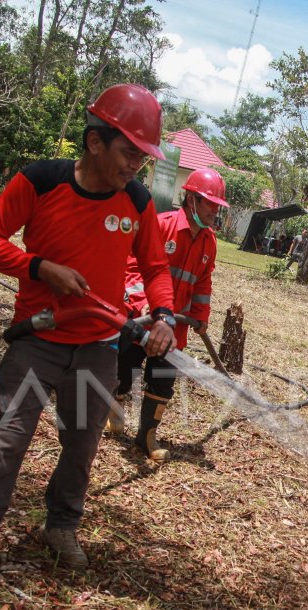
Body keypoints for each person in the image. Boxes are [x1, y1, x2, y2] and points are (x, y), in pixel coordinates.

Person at [0, 84, 177, 610]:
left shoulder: (137, 201)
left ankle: (61, 527)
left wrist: (162, 314)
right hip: (38, 340)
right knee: (8, 441)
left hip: (96, 349)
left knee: (82, 445)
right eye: (128, 152)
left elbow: (156, 267)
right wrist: (38, 266)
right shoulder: (41, 180)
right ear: (96, 142)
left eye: (143, 156)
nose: (135, 166)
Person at [108, 167, 229, 461]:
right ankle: (117, 403)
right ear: (192, 200)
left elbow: (202, 282)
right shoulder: (161, 226)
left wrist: (200, 316)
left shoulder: (209, 242)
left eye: (217, 205)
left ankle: (146, 436)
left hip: (176, 327)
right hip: (143, 320)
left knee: (162, 379)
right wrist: (142, 304)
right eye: (210, 203)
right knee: (126, 367)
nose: (215, 210)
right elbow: (133, 268)